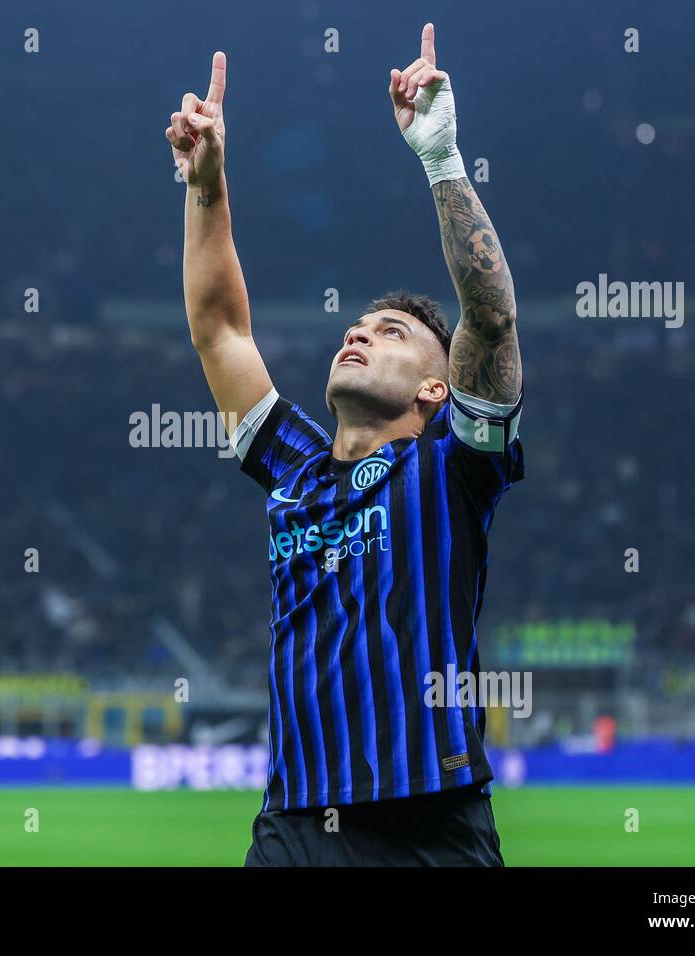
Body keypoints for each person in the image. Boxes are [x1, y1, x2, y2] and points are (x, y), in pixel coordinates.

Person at [167, 23, 523, 865]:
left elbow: (493, 318)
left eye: (391, 333)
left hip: (431, 826)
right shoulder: (292, 466)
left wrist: (440, 158)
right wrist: (206, 183)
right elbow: (220, 330)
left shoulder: (451, 469)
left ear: (438, 389)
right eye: (354, 328)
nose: (357, 337)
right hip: (295, 826)